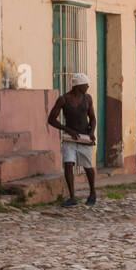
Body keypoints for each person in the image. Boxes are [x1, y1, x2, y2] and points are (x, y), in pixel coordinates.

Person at [48, 72, 97, 206]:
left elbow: (92, 118)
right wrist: (67, 130)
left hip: (84, 137)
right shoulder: (63, 99)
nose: (87, 87)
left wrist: (92, 132)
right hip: (70, 138)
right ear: (78, 86)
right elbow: (51, 119)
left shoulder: (88, 99)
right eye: (85, 85)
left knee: (88, 166)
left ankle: (92, 192)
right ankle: (72, 197)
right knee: (68, 164)